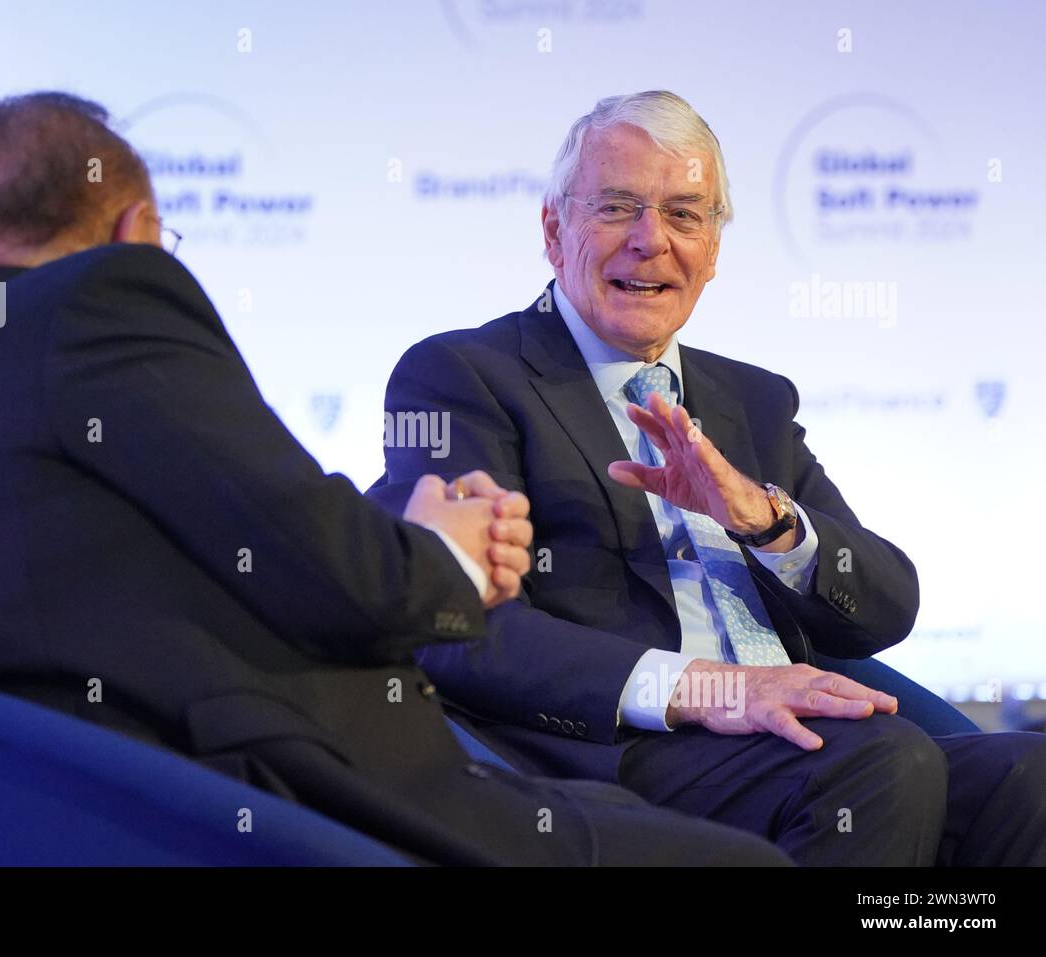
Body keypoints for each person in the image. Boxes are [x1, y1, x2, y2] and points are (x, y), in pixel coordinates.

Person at [0, 91, 790, 866]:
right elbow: (329, 568)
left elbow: (186, 551)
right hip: (258, 805)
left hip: (64, 804)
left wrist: (401, 528)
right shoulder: (103, 297)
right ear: (135, 227)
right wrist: (440, 550)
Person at [368, 90, 1046, 865]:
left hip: (802, 744)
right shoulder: (467, 376)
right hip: (623, 751)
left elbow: (885, 604)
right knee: (882, 761)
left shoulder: (751, 398)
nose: (651, 241)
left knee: (1027, 774)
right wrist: (715, 687)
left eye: (685, 214)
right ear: (555, 231)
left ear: (714, 249)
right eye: (618, 207)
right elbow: (451, 620)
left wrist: (764, 517)